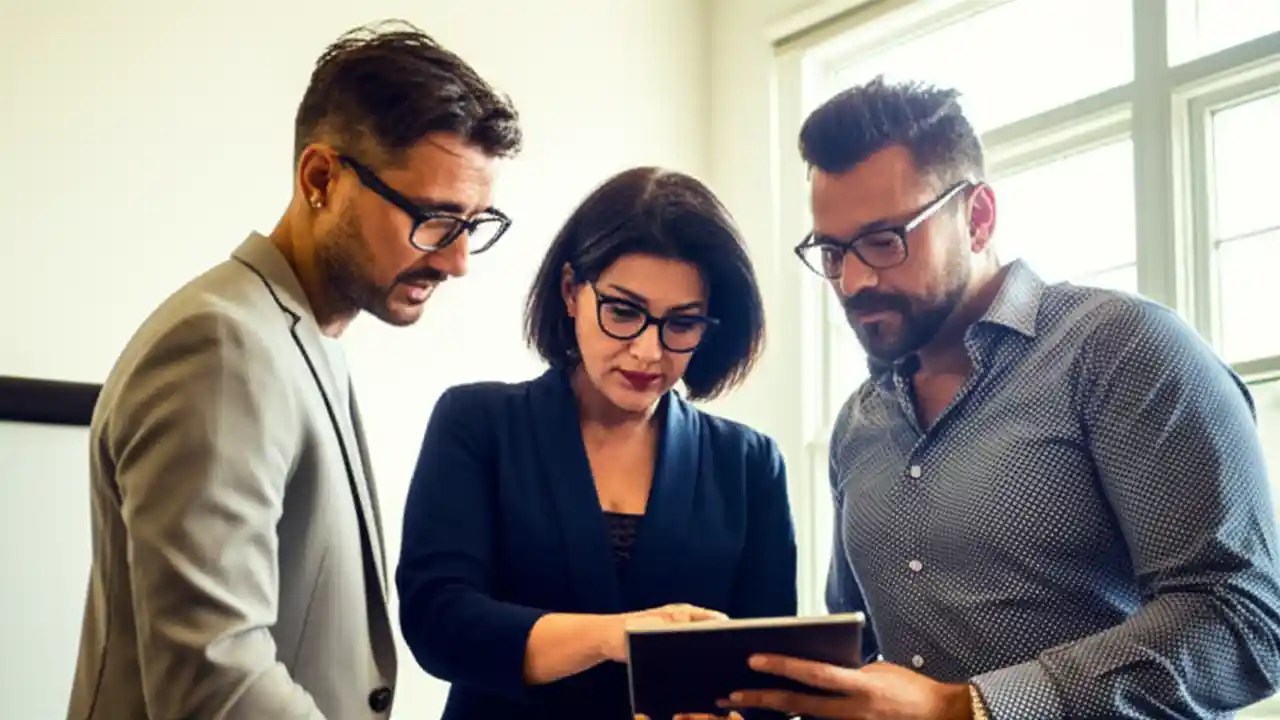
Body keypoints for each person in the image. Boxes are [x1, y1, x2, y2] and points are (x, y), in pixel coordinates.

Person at [719, 77, 1280, 720]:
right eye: (833, 250)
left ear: (978, 216)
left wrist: (969, 708)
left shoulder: (1120, 349)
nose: (854, 279)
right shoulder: (858, 425)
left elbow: (1243, 619)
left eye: (884, 241)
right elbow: (863, 653)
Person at [65, 20, 521, 720]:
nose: (458, 260)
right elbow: (215, 678)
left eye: (474, 225)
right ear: (319, 178)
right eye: (434, 218)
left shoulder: (296, 339)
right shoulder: (220, 344)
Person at [395, 166, 798, 719]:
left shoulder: (749, 465)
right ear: (570, 292)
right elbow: (438, 621)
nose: (647, 353)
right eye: (624, 312)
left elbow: (769, 677)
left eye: (681, 324)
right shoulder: (478, 423)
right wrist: (616, 637)